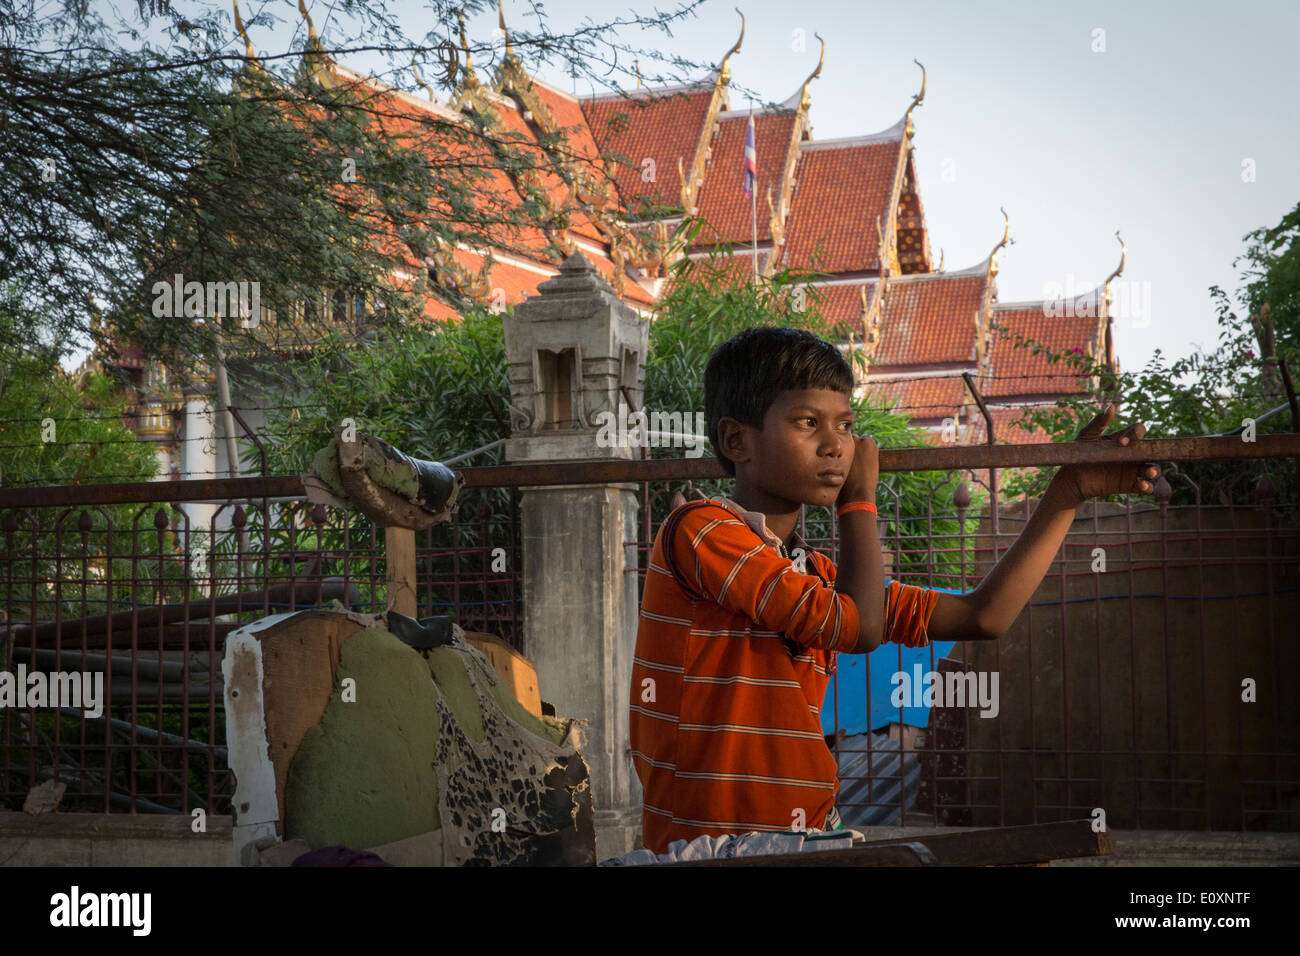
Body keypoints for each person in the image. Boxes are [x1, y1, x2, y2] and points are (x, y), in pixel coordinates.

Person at [629, 326, 1160, 855]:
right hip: (705, 847)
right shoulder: (703, 530)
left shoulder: (817, 578)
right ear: (735, 440)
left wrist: (1069, 489)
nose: (836, 445)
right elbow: (856, 628)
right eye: (807, 422)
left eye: (845, 424)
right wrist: (858, 501)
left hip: (807, 838)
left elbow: (985, 616)